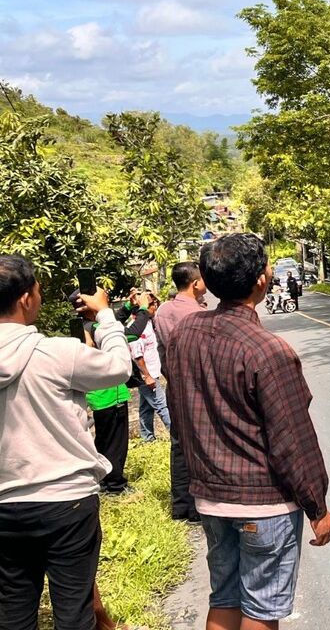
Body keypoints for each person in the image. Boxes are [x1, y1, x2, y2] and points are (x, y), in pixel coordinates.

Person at [170, 234, 330, 629]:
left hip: (210, 498)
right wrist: (318, 508)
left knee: (224, 596)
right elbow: (292, 440)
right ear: (262, 280)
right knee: (262, 609)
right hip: (263, 505)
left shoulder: (184, 334)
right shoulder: (267, 350)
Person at [0, 254, 132, 630]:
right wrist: (104, 316)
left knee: (13, 610)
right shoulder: (58, 353)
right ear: (26, 299)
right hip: (66, 501)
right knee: (74, 610)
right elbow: (119, 367)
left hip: (6, 504)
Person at [154, 261, 207, 525]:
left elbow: (161, 350)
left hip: (174, 384)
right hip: (198, 386)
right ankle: (198, 506)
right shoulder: (198, 315)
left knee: (178, 444)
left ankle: (180, 505)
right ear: (196, 283)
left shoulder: (163, 311)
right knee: (200, 443)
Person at [78, 295, 133, 497]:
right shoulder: (89, 329)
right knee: (114, 443)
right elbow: (126, 334)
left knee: (106, 440)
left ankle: (107, 480)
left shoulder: (90, 326)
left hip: (109, 394)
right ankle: (115, 483)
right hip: (106, 394)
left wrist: (128, 306)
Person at [131, 294, 170, 443]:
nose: (156, 307)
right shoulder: (136, 327)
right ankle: (177, 436)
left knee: (146, 407)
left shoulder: (147, 323)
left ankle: (147, 437)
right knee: (162, 405)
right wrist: (147, 376)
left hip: (153, 372)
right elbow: (137, 355)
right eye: (153, 304)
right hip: (147, 375)